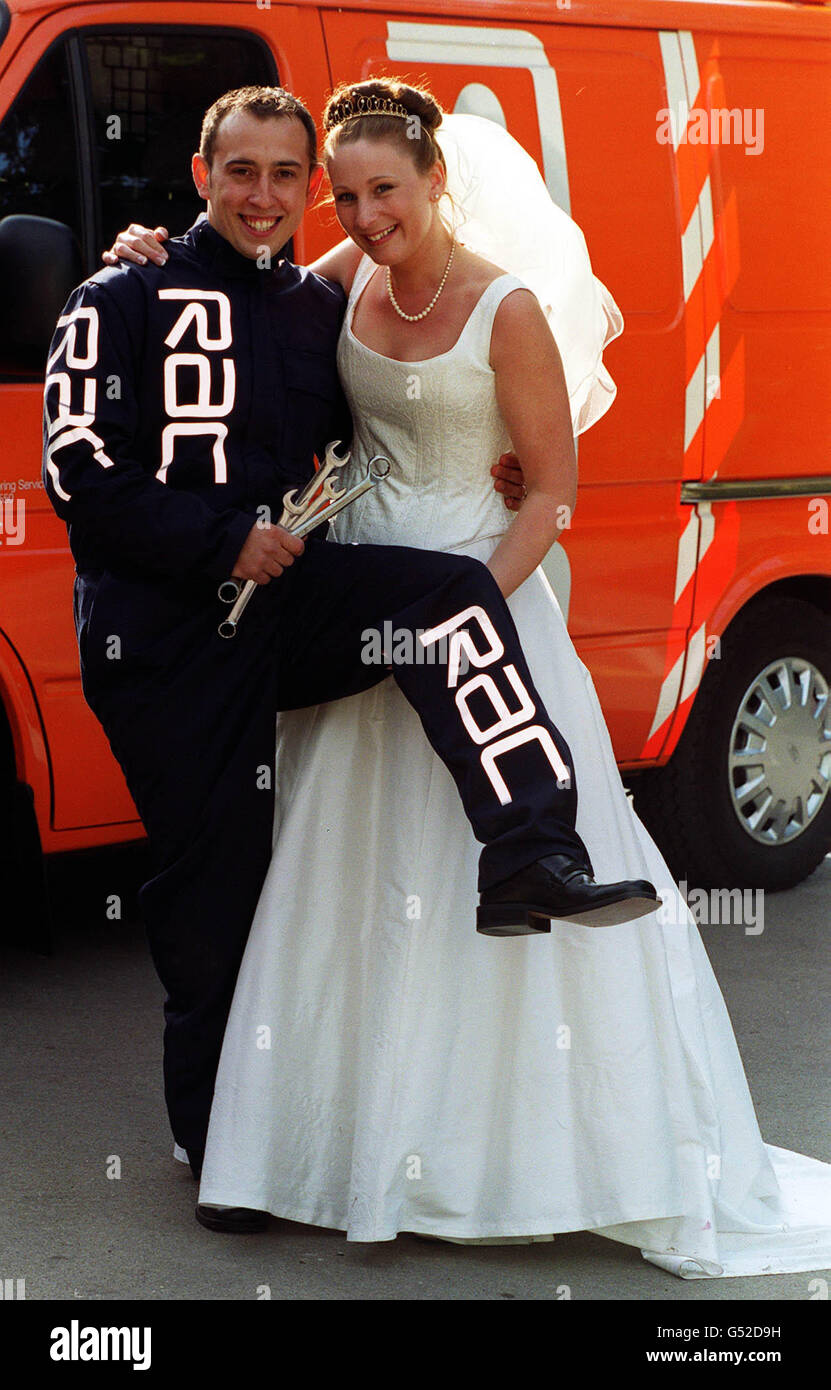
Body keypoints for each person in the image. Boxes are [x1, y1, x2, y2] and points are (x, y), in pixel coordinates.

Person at [113, 76, 831, 1275]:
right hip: (359, 595)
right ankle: (330, 1148)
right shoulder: (338, 282)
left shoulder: (505, 312)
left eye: (380, 189)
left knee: (487, 866)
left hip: (475, 594)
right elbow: (236, 300)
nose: (359, 212)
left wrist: (473, 612)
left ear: (436, 179)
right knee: (344, 881)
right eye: (342, 194)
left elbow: (549, 488)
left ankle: (515, 1153)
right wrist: (142, 254)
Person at [43, 85, 659, 1218]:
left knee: (445, 591)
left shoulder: (306, 304)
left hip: (289, 613)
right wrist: (226, 537)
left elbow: (414, 368)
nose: (267, 195)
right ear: (200, 174)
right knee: (214, 890)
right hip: (168, 646)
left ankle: (529, 846)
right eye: (244, 172)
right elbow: (77, 466)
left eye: (288, 175)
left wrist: (512, 467)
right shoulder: (116, 294)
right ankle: (219, 1153)